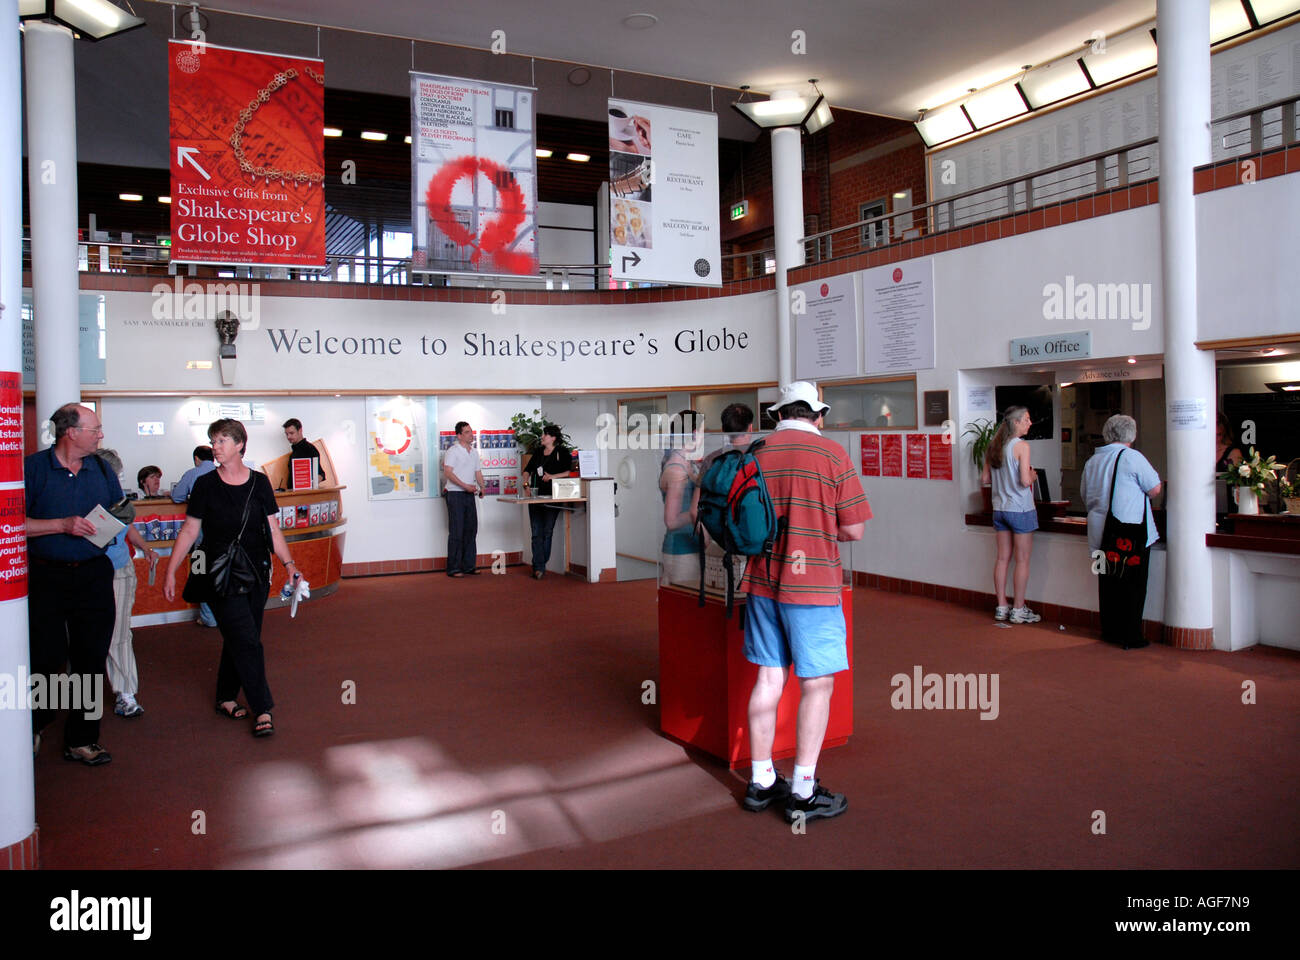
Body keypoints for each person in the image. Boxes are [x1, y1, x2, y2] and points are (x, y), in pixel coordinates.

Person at [739, 383, 868, 823]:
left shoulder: (756, 452)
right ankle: (803, 791)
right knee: (817, 685)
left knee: (768, 678)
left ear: (779, 415)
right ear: (818, 415)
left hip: (760, 582)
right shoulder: (833, 455)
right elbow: (854, 531)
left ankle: (760, 782)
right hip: (812, 585)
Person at [163, 419, 299, 737]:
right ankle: (263, 707)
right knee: (248, 641)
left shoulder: (260, 483)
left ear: (239, 444)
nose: (216, 447)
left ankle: (225, 696)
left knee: (241, 637)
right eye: (213, 441)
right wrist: (171, 570)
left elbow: (273, 529)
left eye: (222, 440)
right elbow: (190, 530)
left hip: (256, 573)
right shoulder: (205, 485)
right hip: (220, 575)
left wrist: (289, 565)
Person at [24, 403, 120, 765]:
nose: (101, 434)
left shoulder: (101, 468)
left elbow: (120, 509)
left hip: (94, 573)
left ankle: (82, 738)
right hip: (46, 575)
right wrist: (61, 525)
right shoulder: (32, 469)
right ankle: (36, 723)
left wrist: (111, 528)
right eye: (94, 428)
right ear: (71, 433)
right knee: (46, 660)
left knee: (91, 657)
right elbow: (12, 524)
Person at [1080, 414, 1162, 650]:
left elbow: (1085, 495)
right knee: (1132, 584)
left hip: (1098, 532)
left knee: (1106, 582)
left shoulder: (1092, 460)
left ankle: (1110, 630)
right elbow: (1154, 488)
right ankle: (1130, 634)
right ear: (1132, 434)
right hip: (1127, 533)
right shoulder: (1132, 457)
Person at [95, 449, 160, 718]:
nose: (117, 480)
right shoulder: (81, 496)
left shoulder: (118, 498)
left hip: (119, 569)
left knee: (119, 633)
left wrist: (145, 547)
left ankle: (126, 693)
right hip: (88, 572)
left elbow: (127, 526)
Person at [980, 405, 1040, 623]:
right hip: (1020, 509)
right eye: (1026, 419)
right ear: (1015, 422)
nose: (1030, 423)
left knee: (1002, 558)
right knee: (1022, 560)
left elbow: (985, 480)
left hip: (1000, 509)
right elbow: (1024, 481)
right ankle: (1018, 609)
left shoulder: (993, 446)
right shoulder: (1021, 446)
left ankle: (1002, 606)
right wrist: (1033, 476)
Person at [171, 445, 219, 627]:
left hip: (200, 538)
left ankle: (208, 617)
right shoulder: (222, 472)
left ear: (196, 459)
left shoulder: (193, 474)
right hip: (221, 537)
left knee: (200, 572)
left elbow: (177, 496)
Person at [659, 409, 704, 587]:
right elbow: (671, 521)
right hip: (681, 550)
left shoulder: (687, 463)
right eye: (702, 432)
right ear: (693, 433)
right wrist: (700, 509)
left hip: (690, 544)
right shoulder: (677, 469)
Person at [525, 423, 575, 579]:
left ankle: (540, 564)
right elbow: (527, 470)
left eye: (544, 435)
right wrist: (526, 484)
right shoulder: (539, 452)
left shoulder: (562, 452)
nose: (542, 437)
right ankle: (539, 566)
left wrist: (552, 477)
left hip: (554, 496)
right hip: (535, 497)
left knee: (547, 532)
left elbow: (569, 472)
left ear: (553, 437)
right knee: (536, 532)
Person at [442, 421, 485, 577]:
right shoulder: (453, 451)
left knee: (471, 530)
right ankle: (453, 568)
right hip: (455, 494)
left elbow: (477, 472)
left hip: (468, 494)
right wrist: (464, 486)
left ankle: (468, 566)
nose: (470, 434)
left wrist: (482, 486)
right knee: (456, 531)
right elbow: (448, 472)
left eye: (471, 431)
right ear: (459, 435)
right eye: (466, 432)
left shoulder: (473, 452)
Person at [283, 417, 325, 488]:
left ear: (300, 431)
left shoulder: (309, 449)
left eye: (291, 433)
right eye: (286, 434)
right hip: (294, 494)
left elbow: (320, 474)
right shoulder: (294, 452)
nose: (288, 437)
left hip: (303, 495)